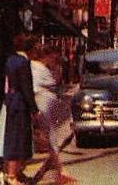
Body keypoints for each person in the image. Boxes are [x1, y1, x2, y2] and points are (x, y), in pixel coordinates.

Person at [28, 44, 76, 185]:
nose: (53, 62)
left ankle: (60, 171)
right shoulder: (35, 67)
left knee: (50, 138)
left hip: (45, 106)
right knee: (48, 138)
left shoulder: (39, 67)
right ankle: (61, 171)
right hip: (40, 106)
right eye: (52, 59)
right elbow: (35, 87)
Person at [0, 33, 38, 185]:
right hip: (20, 104)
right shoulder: (23, 62)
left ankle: (16, 172)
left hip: (11, 101)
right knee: (18, 139)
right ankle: (11, 176)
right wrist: (35, 109)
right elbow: (26, 87)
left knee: (14, 138)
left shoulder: (10, 60)